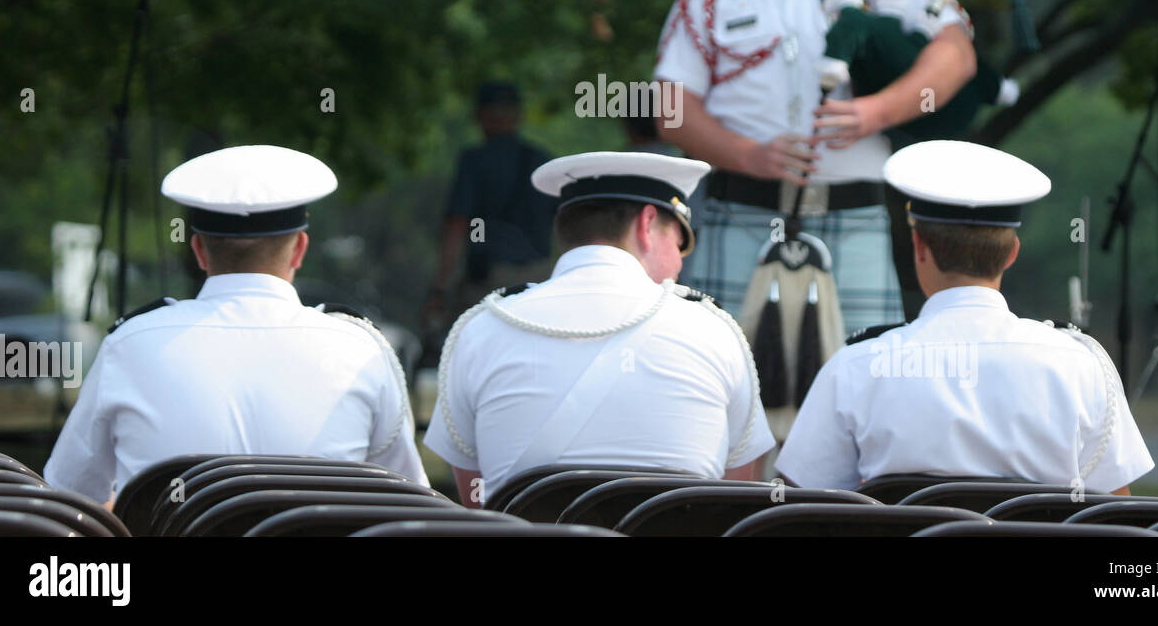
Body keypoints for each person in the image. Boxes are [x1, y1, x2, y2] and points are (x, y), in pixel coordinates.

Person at [653, 0, 977, 332]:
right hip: (739, 212)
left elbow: (956, 55)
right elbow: (670, 108)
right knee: (723, 385)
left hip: (855, 217)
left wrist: (879, 111)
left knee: (866, 387)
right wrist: (747, 155)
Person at [43, 144, 429, 502]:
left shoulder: (128, 346)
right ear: (299, 249)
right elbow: (405, 502)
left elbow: (69, 494)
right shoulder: (362, 350)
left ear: (198, 250)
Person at [775, 140, 1154, 494]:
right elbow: (1113, 510)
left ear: (919, 248)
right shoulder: (1080, 366)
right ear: (1011, 253)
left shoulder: (855, 368)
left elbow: (799, 510)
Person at [424, 151, 775, 506]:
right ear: (647, 225)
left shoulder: (483, 328)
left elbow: (477, 502)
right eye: (679, 242)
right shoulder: (714, 330)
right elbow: (735, 501)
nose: (680, 262)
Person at [423, 81, 556, 362]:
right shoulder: (544, 163)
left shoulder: (474, 161)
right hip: (540, 280)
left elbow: (458, 225)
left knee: (477, 356)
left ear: (480, 115)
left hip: (487, 282)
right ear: (519, 115)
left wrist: (441, 287)